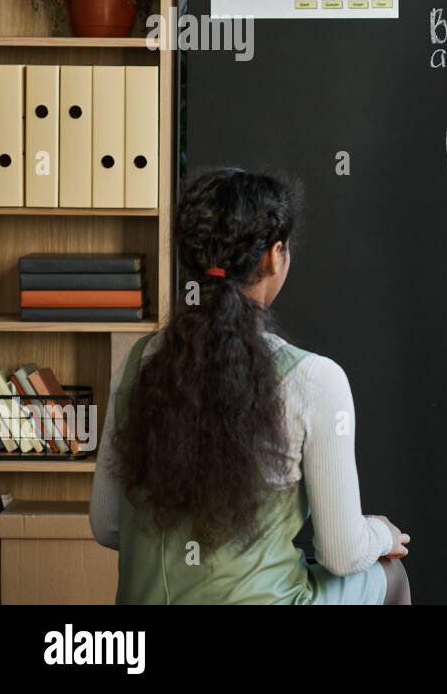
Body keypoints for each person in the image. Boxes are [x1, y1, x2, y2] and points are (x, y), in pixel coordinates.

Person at [89, 168, 412, 604]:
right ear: (273, 256)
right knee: (390, 574)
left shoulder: (138, 363)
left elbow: (107, 525)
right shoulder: (314, 380)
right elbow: (341, 552)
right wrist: (381, 532)